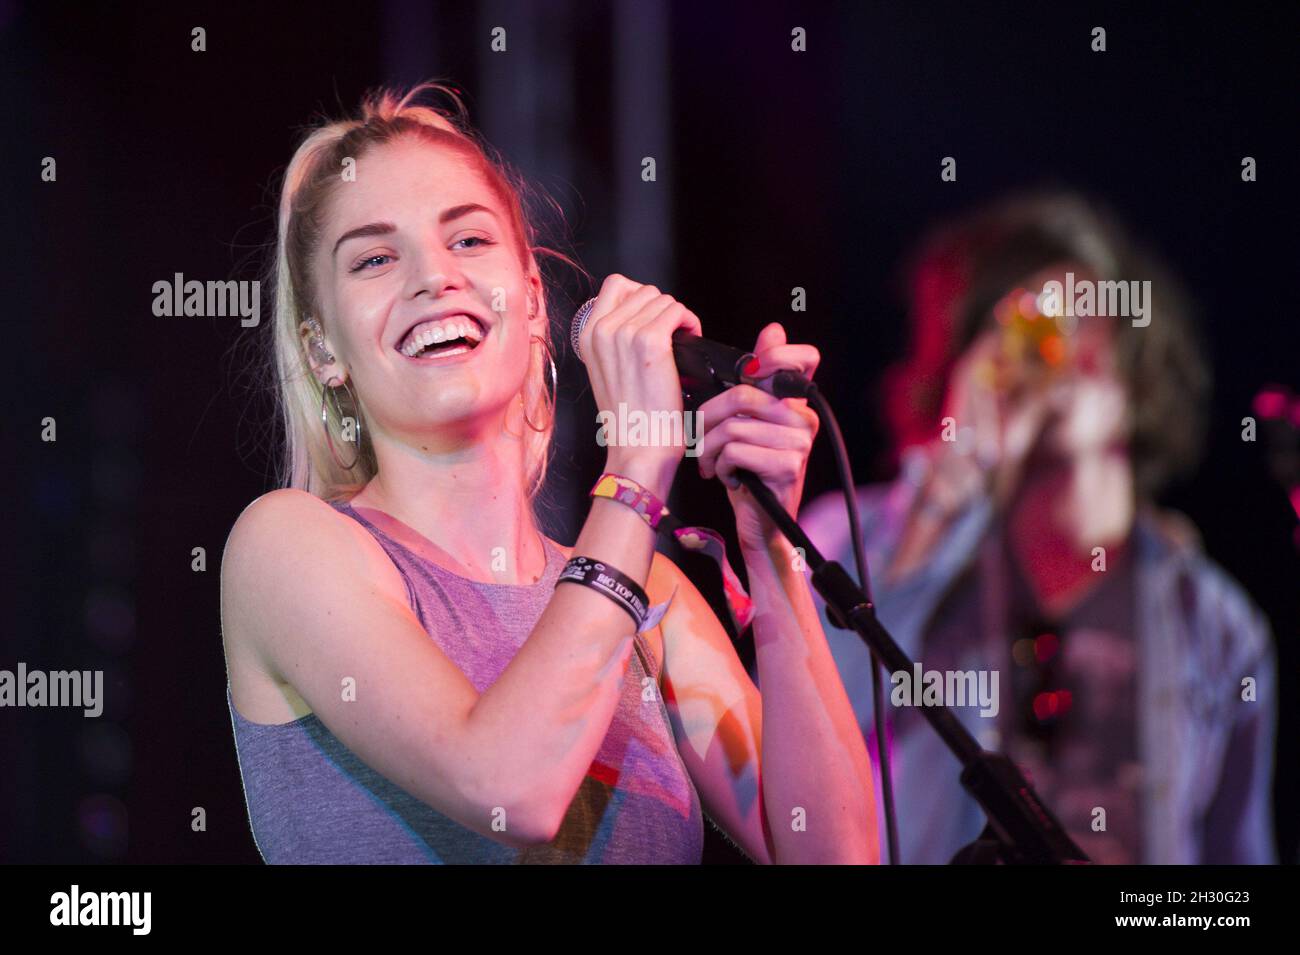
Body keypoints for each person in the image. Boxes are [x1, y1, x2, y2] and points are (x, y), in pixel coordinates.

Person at [219, 81, 877, 864]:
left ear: (533, 301)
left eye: (468, 241)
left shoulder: (653, 598)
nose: (435, 277)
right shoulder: (289, 545)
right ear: (323, 347)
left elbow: (834, 855)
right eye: (374, 258)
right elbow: (510, 788)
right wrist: (635, 465)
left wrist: (771, 553)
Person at [801, 192, 1278, 864]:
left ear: (1135, 355)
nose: (1062, 347)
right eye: (1028, 323)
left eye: (1087, 317)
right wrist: (949, 486)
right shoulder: (851, 536)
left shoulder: (1216, 622)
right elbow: (799, 745)